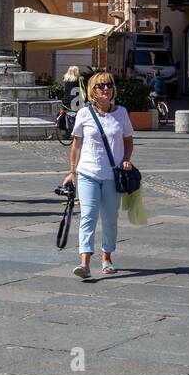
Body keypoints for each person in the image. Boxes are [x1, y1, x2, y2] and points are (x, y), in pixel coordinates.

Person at [62, 71, 134, 280]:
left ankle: (106, 258)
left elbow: (128, 140)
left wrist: (127, 159)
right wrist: (72, 171)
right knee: (88, 216)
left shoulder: (121, 113)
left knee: (110, 219)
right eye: (101, 86)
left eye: (109, 85)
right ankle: (84, 263)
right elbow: (76, 145)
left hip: (113, 175)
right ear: (92, 90)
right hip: (87, 172)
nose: (106, 89)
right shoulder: (84, 114)